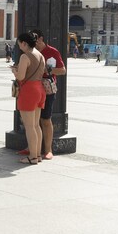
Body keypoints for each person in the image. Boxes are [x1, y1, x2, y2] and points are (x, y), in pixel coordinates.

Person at [31, 32, 67, 160]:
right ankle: (32, 148)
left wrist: (48, 70)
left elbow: (62, 70)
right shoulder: (31, 52)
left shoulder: (52, 51)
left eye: (34, 39)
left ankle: (48, 150)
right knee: (31, 120)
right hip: (32, 88)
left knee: (45, 119)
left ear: (41, 38)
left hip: (47, 89)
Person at [13, 32, 46, 164]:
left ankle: (32, 157)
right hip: (39, 89)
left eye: (19, 44)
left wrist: (14, 71)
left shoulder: (25, 56)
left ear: (24, 43)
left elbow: (21, 77)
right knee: (36, 125)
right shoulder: (40, 55)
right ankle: (37, 155)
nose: (19, 46)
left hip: (29, 91)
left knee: (29, 126)